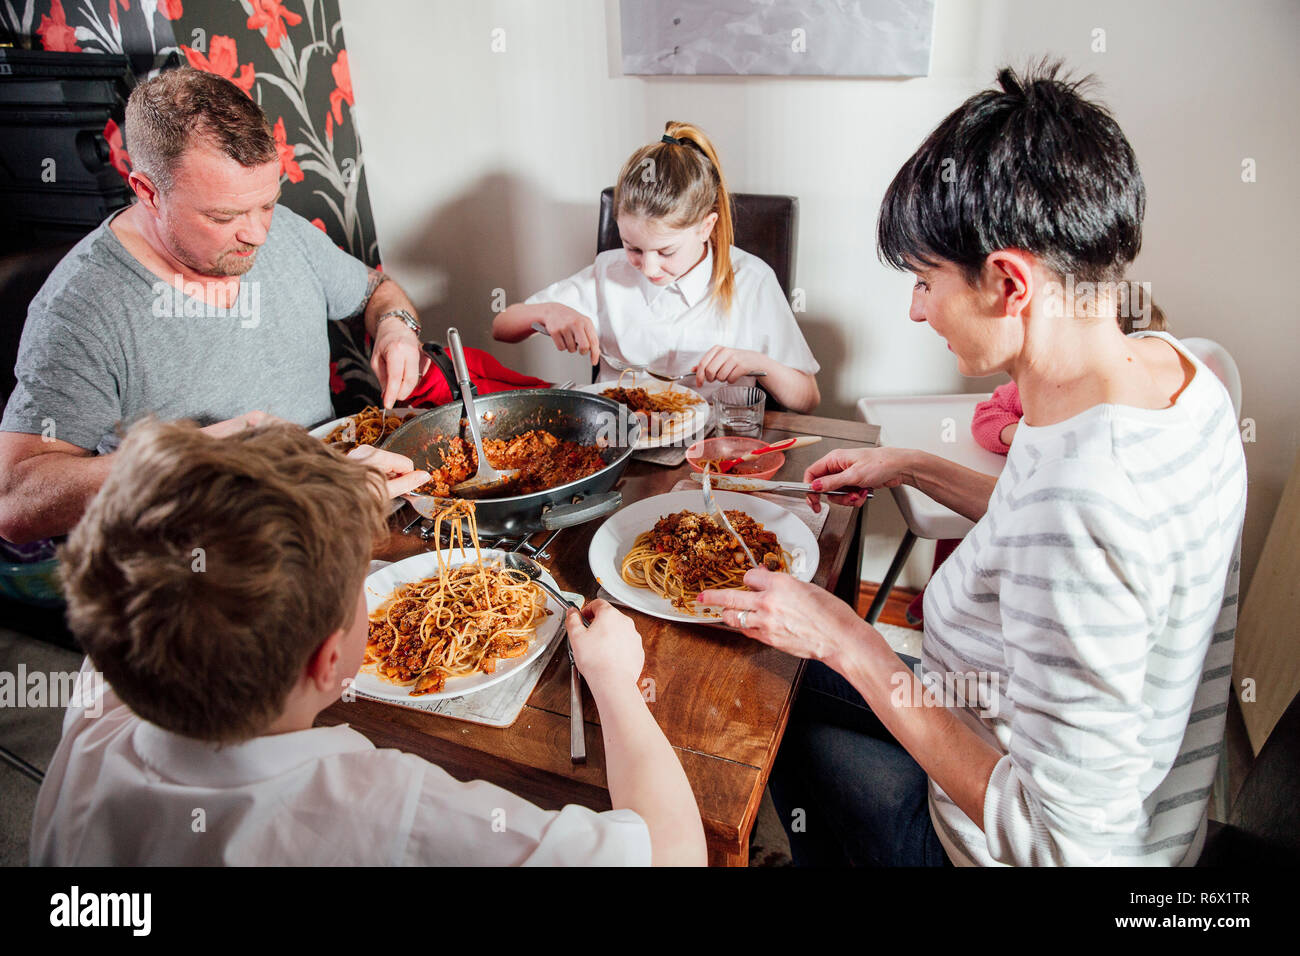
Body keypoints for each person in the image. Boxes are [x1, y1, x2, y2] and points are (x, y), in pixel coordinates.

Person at [698, 63, 1246, 866]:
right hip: (1002, 713)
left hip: (996, 844)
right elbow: (1049, 522)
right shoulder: (1186, 366)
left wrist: (851, 639)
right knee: (769, 659)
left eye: (925, 282)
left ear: (1010, 281)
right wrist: (913, 465)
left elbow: (1064, 849)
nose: (916, 311)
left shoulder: (1088, 504)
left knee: (761, 708)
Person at [31, 419, 707, 866]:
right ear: (330, 662)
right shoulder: (383, 809)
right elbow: (673, 856)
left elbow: (157, 553)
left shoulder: (102, 706)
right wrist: (616, 684)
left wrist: (324, 499)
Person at [0, 67, 428, 546]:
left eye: (266, 204)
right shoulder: (81, 309)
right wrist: (195, 458)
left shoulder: (281, 231)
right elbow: (15, 502)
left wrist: (395, 326)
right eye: (223, 216)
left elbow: (377, 290)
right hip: (215, 572)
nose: (258, 234)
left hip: (334, 518)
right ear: (148, 193)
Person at [492, 122, 820, 412]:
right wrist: (548, 312)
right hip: (617, 439)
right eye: (633, 247)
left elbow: (807, 398)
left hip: (710, 448)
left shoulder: (752, 280)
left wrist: (758, 362)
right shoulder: (610, 271)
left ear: (705, 227)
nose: (648, 268)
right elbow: (502, 327)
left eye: (666, 251)